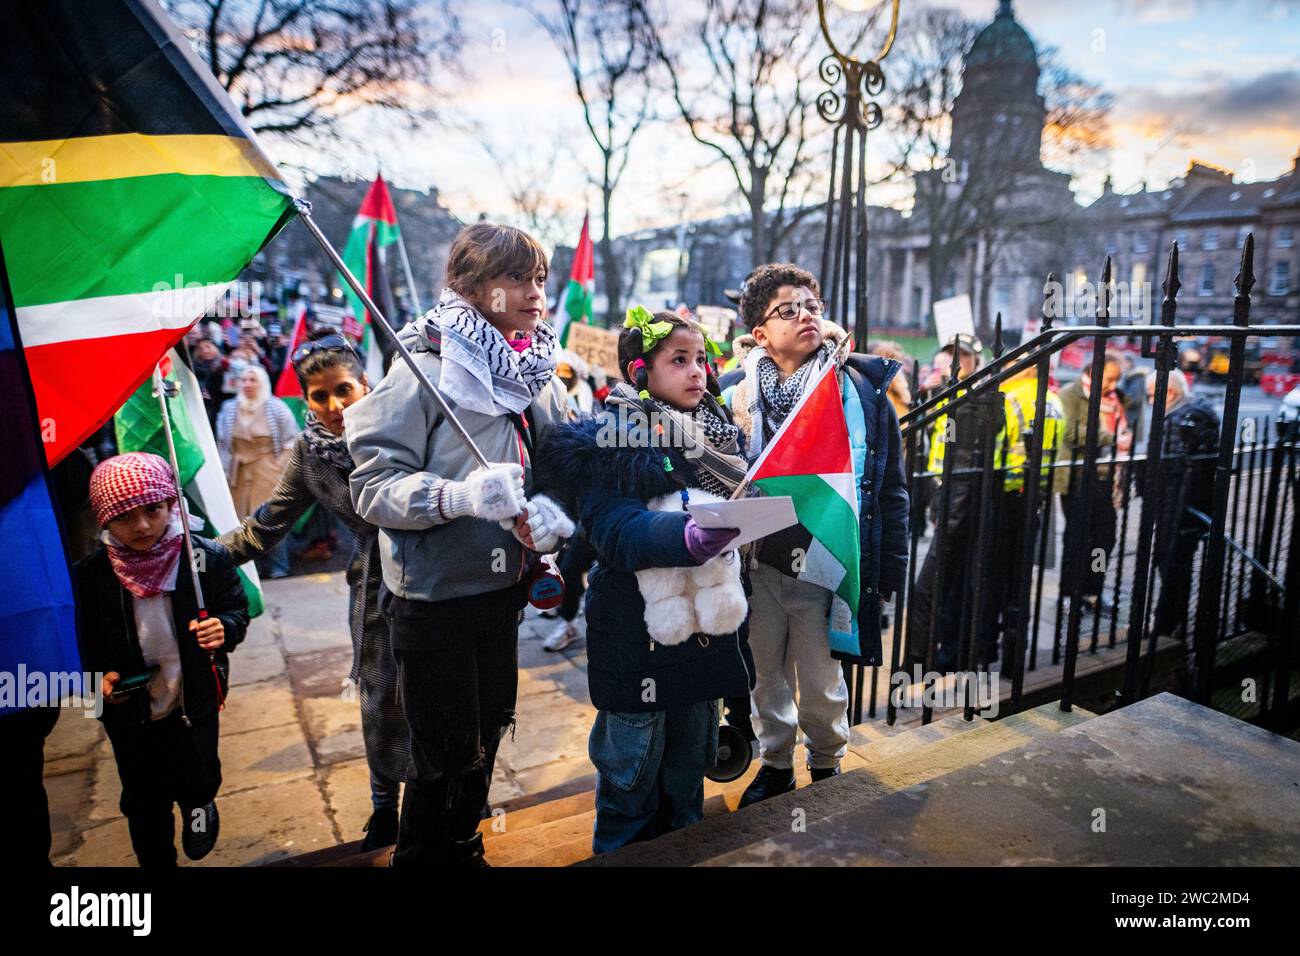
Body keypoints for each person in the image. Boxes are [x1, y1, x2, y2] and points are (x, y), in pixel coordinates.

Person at [346, 223, 573, 867]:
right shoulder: (420, 364)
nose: (534, 294)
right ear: (471, 286)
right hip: (432, 596)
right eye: (517, 279)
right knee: (440, 747)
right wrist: (458, 497)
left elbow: (558, 466)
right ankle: (420, 856)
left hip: (502, 590)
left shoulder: (537, 370)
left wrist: (553, 513)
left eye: (539, 279)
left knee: (489, 726)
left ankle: (464, 842)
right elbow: (372, 485)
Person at [535, 307, 751, 852]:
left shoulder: (721, 442)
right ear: (639, 372)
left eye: (701, 359)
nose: (698, 371)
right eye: (678, 360)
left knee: (684, 787)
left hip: (703, 647)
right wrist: (685, 536)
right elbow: (615, 531)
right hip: (637, 644)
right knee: (631, 788)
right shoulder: (609, 445)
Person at [218, 330, 410, 850]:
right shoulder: (309, 454)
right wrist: (206, 552)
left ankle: (457, 790)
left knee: (442, 690)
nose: (333, 406)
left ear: (366, 385)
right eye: (319, 396)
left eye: (343, 390)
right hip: (373, 585)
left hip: (429, 575)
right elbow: (266, 525)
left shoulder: (406, 425)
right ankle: (383, 805)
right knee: (379, 696)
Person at [727, 263, 908, 806]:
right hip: (756, 564)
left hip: (824, 564)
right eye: (789, 309)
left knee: (822, 679)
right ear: (760, 332)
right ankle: (776, 762)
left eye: (813, 305)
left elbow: (891, 488)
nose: (806, 315)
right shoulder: (734, 394)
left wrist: (888, 571)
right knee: (765, 675)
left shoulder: (857, 390)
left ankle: (827, 763)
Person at [72, 452, 249, 866]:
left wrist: (225, 627)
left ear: (172, 503)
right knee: (142, 796)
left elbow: (235, 609)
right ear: (103, 519)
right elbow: (79, 644)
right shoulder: (90, 576)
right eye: (124, 516)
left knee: (199, 772)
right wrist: (94, 682)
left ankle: (199, 805)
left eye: (153, 510)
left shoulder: (204, 559)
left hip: (194, 696)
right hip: (129, 711)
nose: (142, 526)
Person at [1146, 369, 1221, 639]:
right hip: (1195, 501)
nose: (1149, 402)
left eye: (1152, 395)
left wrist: (1148, 488)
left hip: (1175, 502)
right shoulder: (1201, 413)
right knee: (1179, 561)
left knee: (1168, 560)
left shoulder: (1178, 419)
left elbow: (1168, 466)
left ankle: (1166, 623)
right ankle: (1174, 619)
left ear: (1171, 393)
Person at [1059, 352, 1130, 612]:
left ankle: (1093, 591)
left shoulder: (1116, 398)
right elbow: (1068, 430)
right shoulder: (1070, 394)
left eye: (1116, 380)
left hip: (1108, 478)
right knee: (1077, 538)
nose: (1113, 386)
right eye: (1110, 379)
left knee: (1104, 538)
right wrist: (1109, 437)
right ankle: (1069, 593)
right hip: (1079, 477)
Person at [216, 364, 299, 578]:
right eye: (244, 380)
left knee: (270, 517)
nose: (248, 384)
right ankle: (250, 570)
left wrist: (279, 467)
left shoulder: (277, 407)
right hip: (239, 472)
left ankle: (279, 565)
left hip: (267, 471)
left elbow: (292, 440)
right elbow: (223, 443)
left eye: (253, 380)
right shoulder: (229, 408)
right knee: (241, 519)